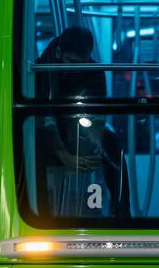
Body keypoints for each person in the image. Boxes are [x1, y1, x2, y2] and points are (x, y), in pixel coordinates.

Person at [37, 26, 130, 217]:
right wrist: (63, 155)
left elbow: (96, 114)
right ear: (58, 52)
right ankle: (41, 216)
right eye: (70, 62)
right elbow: (43, 115)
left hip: (78, 127)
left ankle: (121, 213)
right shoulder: (41, 69)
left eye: (80, 64)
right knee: (30, 148)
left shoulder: (93, 71)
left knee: (112, 144)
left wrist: (93, 144)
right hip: (47, 131)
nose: (74, 69)